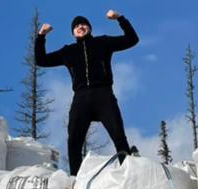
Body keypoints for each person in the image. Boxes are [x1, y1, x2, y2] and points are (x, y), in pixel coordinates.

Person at [35, 10, 139, 175]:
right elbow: (41, 60)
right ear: (73, 33)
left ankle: (129, 172)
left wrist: (120, 18)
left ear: (89, 28)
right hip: (81, 98)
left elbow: (132, 39)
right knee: (74, 141)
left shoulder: (103, 42)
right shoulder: (68, 51)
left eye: (83, 24)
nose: (80, 27)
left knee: (119, 135)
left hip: (103, 94)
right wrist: (41, 36)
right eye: (76, 26)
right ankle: (76, 180)